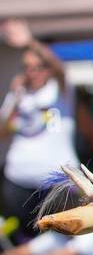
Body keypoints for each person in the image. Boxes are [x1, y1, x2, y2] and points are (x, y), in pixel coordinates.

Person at [0, 19, 78, 238]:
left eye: (38, 67)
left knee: (62, 238)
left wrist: (30, 43)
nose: (32, 72)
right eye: (26, 67)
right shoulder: (18, 94)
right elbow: (3, 132)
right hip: (19, 181)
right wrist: (15, 98)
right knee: (29, 241)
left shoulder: (60, 90)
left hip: (56, 184)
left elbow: (58, 68)